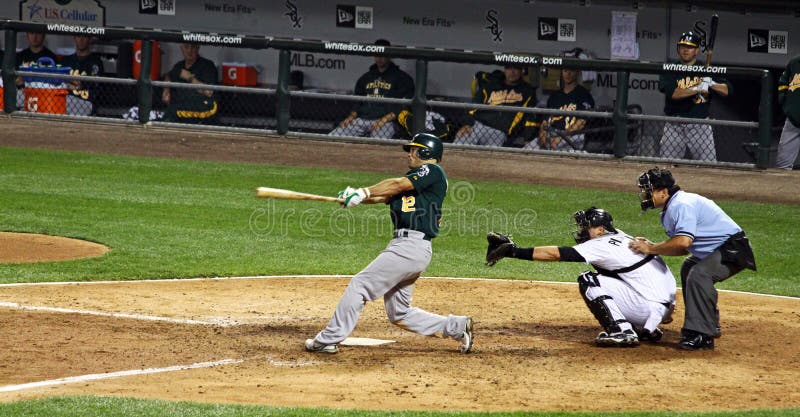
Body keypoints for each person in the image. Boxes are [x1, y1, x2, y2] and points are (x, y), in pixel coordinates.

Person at [305, 133, 473, 354]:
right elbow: (383, 195)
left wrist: (362, 191)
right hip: (413, 249)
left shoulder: (432, 172)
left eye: (414, 150)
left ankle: (329, 339)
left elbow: (395, 184)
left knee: (360, 285)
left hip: (410, 247)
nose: (410, 154)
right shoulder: (414, 184)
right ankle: (458, 327)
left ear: (426, 152)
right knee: (399, 312)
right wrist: (353, 197)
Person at [485, 208, 676, 347]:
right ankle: (643, 328)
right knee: (605, 275)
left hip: (648, 305)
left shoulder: (600, 243)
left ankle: (622, 331)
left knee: (589, 280)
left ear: (600, 230)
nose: (581, 231)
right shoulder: (620, 236)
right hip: (661, 305)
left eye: (586, 227)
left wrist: (514, 252)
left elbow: (556, 254)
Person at [629, 168, 756, 350]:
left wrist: (650, 248)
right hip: (724, 249)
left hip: (734, 250)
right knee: (690, 267)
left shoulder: (681, 205)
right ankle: (709, 324)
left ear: (663, 192)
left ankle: (702, 336)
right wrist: (654, 247)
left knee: (699, 274)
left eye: (647, 190)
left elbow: (682, 243)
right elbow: (683, 247)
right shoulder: (672, 206)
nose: (643, 195)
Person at [658, 31, 730, 161]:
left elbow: (727, 91)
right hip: (674, 125)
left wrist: (711, 83)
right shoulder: (670, 68)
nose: (686, 50)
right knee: (666, 165)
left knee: (708, 166)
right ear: (678, 49)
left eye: (690, 47)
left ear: (696, 51)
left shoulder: (706, 69)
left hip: (700, 125)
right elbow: (674, 94)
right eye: (683, 46)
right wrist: (698, 88)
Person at [329, 39, 414, 139]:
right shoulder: (366, 77)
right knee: (332, 137)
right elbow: (358, 103)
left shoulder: (402, 78)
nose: (379, 58)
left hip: (386, 123)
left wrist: (384, 119)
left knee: (376, 144)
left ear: (389, 55)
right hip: (362, 119)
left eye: (382, 55)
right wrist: (351, 117)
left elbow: (404, 105)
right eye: (377, 55)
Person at [454, 63, 538, 147]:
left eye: (516, 68)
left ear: (522, 71)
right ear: (504, 70)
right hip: (478, 125)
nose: (512, 72)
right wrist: (466, 124)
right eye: (509, 68)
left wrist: (528, 139)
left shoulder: (528, 91)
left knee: (491, 157)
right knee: (458, 146)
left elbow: (530, 118)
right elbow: (473, 106)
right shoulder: (491, 85)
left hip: (500, 132)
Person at [524, 67, 594, 151]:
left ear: (578, 72)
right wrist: (542, 134)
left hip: (573, 135)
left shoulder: (584, 95)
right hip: (552, 133)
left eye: (571, 70)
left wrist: (561, 138)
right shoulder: (555, 96)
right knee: (527, 150)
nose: (568, 74)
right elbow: (545, 121)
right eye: (565, 70)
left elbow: (581, 123)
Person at [162, 43, 219, 124]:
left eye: (193, 47)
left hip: (202, 107)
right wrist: (166, 90)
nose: (189, 50)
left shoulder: (207, 65)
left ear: (198, 48)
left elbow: (208, 92)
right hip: (180, 106)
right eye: (186, 47)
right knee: (170, 112)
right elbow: (169, 75)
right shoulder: (179, 66)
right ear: (181, 48)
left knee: (173, 111)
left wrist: (190, 78)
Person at [60, 35, 104, 116]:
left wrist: (80, 85)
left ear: (90, 39)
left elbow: (96, 87)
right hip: (66, 101)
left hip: (86, 102)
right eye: (78, 36)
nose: (81, 39)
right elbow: (60, 84)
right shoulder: (66, 61)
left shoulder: (96, 62)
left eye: (84, 36)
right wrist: (77, 85)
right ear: (74, 38)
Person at [776, 53, 800, 170]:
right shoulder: (795, 62)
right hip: (793, 119)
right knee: (783, 165)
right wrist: (784, 101)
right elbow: (783, 82)